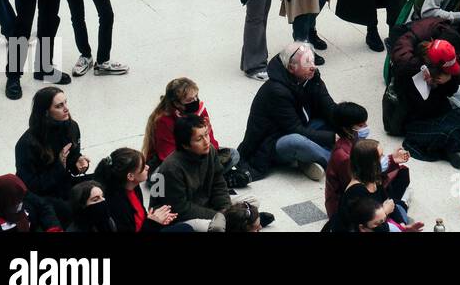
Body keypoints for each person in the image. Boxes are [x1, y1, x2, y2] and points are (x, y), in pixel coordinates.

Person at [386, 22, 460, 164]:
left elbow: (453, 90)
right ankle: (453, 148)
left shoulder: (442, 70)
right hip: (416, 119)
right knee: (448, 132)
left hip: (440, 110)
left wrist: (447, 81)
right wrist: (434, 85)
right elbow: (422, 107)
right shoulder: (410, 71)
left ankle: (456, 147)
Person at [238, 41, 337, 181]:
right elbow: (295, 130)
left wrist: (348, 122)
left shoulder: (311, 78)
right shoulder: (276, 91)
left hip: (304, 125)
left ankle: (307, 159)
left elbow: (329, 107)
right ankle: (337, 161)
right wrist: (333, 138)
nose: (313, 67)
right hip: (274, 141)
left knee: (337, 122)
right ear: (291, 68)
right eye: (307, 63)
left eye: (313, 61)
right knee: (297, 142)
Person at [14, 86, 89, 223]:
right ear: (46, 112)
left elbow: (71, 160)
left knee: (100, 192)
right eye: (59, 106)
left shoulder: (72, 127)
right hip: (41, 196)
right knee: (74, 213)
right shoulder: (27, 144)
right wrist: (60, 166)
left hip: (64, 184)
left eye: (66, 103)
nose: (66, 109)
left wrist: (78, 162)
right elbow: (31, 186)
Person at [141, 77, 237, 173]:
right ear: (177, 103)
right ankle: (209, 178)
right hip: (177, 160)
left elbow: (210, 142)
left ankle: (204, 178)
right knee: (163, 175)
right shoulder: (164, 120)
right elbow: (168, 154)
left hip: (198, 154)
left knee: (233, 154)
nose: (195, 101)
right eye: (190, 100)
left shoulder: (200, 110)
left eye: (196, 96)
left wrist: (209, 152)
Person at [152, 115, 231, 231]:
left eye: (206, 134)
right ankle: (238, 223)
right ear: (185, 145)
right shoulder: (171, 168)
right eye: (199, 139)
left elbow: (218, 183)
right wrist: (217, 215)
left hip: (206, 203)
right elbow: (180, 209)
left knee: (252, 200)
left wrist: (225, 210)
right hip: (180, 217)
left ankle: (234, 221)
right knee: (211, 226)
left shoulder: (210, 150)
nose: (206, 141)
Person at [329, 138, 414, 232]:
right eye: (381, 156)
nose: (386, 158)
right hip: (363, 227)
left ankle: (404, 202)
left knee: (398, 207)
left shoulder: (373, 179)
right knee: (400, 208)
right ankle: (405, 201)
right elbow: (367, 226)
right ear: (370, 163)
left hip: (379, 217)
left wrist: (401, 224)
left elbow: (388, 201)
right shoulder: (356, 191)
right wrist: (385, 212)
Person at [94, 148, 179, 233]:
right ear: (130, 176)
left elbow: (142, 216)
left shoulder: (134, 186)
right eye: (142, 167)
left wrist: (158, 218)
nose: (147, 167)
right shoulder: (116, 206)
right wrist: (154, 222)